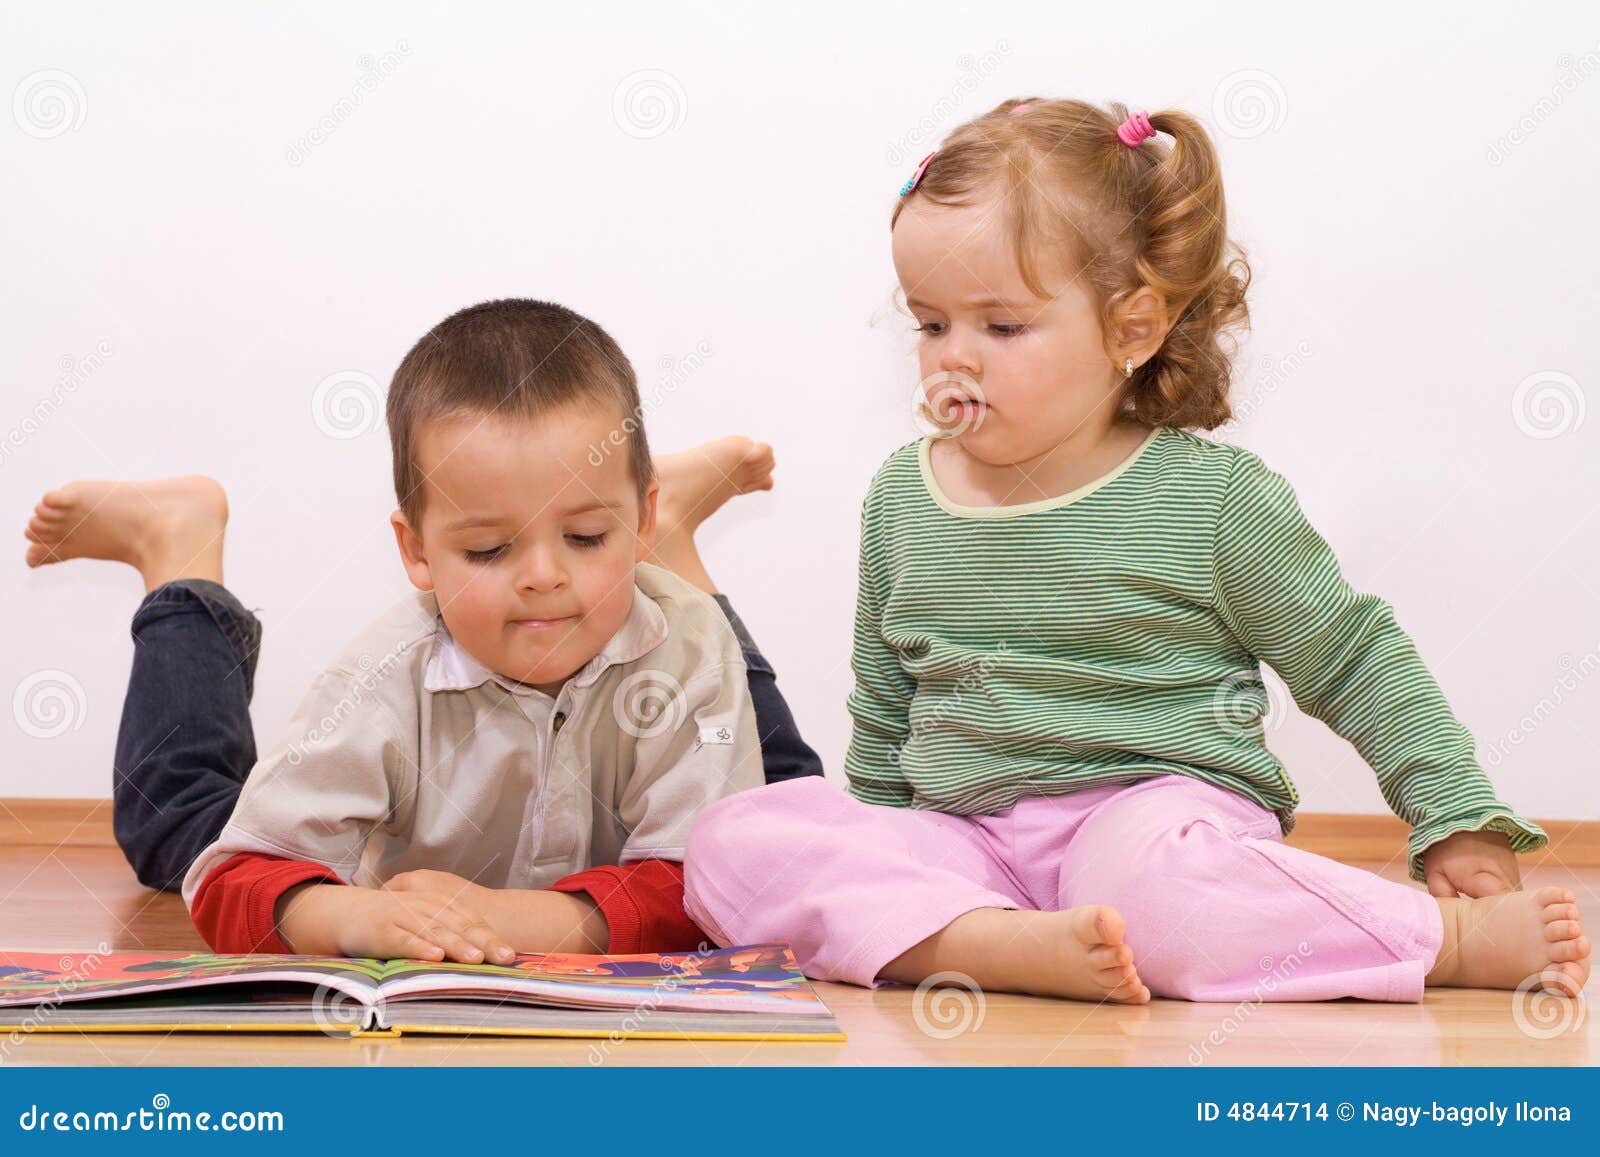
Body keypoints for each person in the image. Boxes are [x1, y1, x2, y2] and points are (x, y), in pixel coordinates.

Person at [682, 99, 1590, 1004]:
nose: (955, 358)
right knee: (732, 843)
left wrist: (1454, 812)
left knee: (1159, 888)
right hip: (968, 846)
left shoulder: (1212, 499)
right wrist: (879, 856)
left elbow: (1353, 660)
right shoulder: (901, 496)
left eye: (1001, 326)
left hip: (1150, 826)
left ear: (1132, 329)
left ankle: (1442, 939)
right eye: (930, 323)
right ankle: (988, 941)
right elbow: (886, 709)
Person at [25, 298, 821, 962]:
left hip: (661, 653)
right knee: (179, 827)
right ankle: (178, 543)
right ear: (417, 553)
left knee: (792, 813)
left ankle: (669, 537)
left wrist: (515, 919)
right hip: (375, 862)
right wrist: (349, 916)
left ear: (634, 521)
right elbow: (233, 878)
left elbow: (713, 887)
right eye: (489, 549)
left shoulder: (688, 642)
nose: (542, 576)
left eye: (585, 535)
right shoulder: (384, 675)